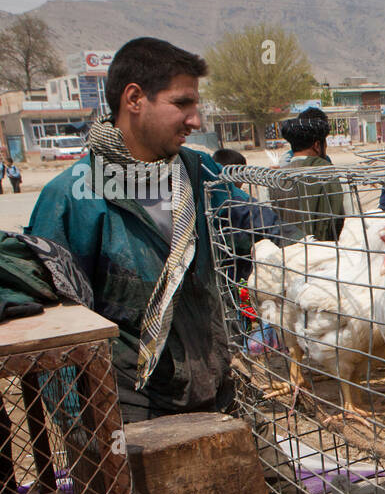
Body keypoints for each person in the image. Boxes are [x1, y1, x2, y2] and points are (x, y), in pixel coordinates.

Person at [27, 36, 279, 422]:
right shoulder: (73, 198)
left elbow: (263, 229)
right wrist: (78, 425)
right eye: (181, 104)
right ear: (134, 99)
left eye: (196, 106)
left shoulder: (200, 173)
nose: (195, 121)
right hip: (128, 408)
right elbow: (54, 322)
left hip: (214, 389)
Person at [270, 107, 345, 242]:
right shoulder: (328, 174)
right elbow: (346, 222)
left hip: (288, 255)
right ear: (317, 145)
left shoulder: (274, 178)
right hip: (326, 254)